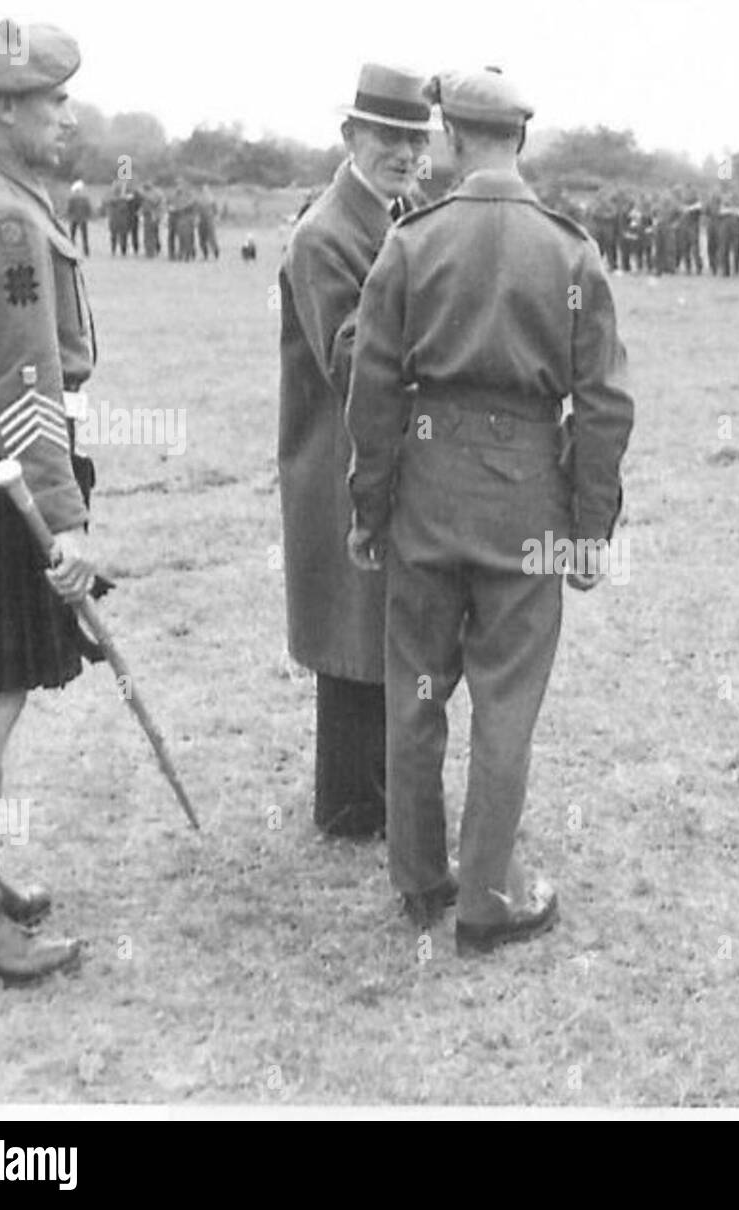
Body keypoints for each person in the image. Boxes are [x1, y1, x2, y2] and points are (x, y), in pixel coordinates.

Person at [345, 68, 634, 955]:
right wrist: (590, 531)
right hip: (528, 506)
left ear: (450, 137)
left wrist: (370, 505)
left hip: (427, 495)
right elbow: (604, 404)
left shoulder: (412, 241)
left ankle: (419, 882)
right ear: (522, 139)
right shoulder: (571, 250)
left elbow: (375, 387)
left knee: (417, 695)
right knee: (506, 705)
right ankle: (486, 901)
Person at [0, 19, 109, 983]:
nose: (64, 114)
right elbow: (19, 383)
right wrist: (66, 520)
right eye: (51, 99)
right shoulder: (5, 218)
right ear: (3, 107)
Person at [278, 63, 433, 841]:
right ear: (350, 138)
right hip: (336, 456)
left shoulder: (399, 214)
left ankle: (373, 793)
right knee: (350, 628)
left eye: (416, 137)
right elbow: (347, 363)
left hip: (380, 452)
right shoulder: (325, 235)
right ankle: (349, 805)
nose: (404, 152)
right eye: (388, 137)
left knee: (382, 625)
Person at [66, 178, 91, 255]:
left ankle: (72, 250)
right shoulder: (85, 199)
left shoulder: (71, 199)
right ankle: (86, 251)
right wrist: (87, 216)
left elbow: (69, 209)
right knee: (84, 236)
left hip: (74, 219)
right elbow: (88, 208)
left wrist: (68, 216)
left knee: (72, 235)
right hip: (83, 219)